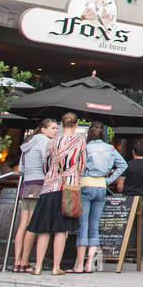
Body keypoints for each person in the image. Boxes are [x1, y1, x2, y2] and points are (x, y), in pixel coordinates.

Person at [27, 112, 86, 275]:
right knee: (61, 229)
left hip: (49, 187)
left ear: (61, 124)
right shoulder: (79, 142)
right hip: (68, 188)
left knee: (44, 229)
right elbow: (82, 166)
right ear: (76, 125)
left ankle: (38, 266)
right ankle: (55, 267)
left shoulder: (52, 142)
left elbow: (46, 165)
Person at [74, 122, 127, 273]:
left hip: (86, 184)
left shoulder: (84, 147)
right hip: (101, 186)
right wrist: (108, 180)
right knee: (94, 226)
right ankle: (89, 263)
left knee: (83, 224)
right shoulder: (109, 148)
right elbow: (123, 165)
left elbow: (77, 166)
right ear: (103, 134)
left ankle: (79, 264)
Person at [12, 119, 57, 272]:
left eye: (56, 128)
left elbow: (21, 168)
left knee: (22, 224)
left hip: (26, 183)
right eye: (52, 128)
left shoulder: (27, 145)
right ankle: (24, 261)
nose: (55, 131)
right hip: (38, 183)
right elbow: (49, 165)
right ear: (43, 130)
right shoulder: (45, 142)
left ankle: (16, 261)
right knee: (32, 224)